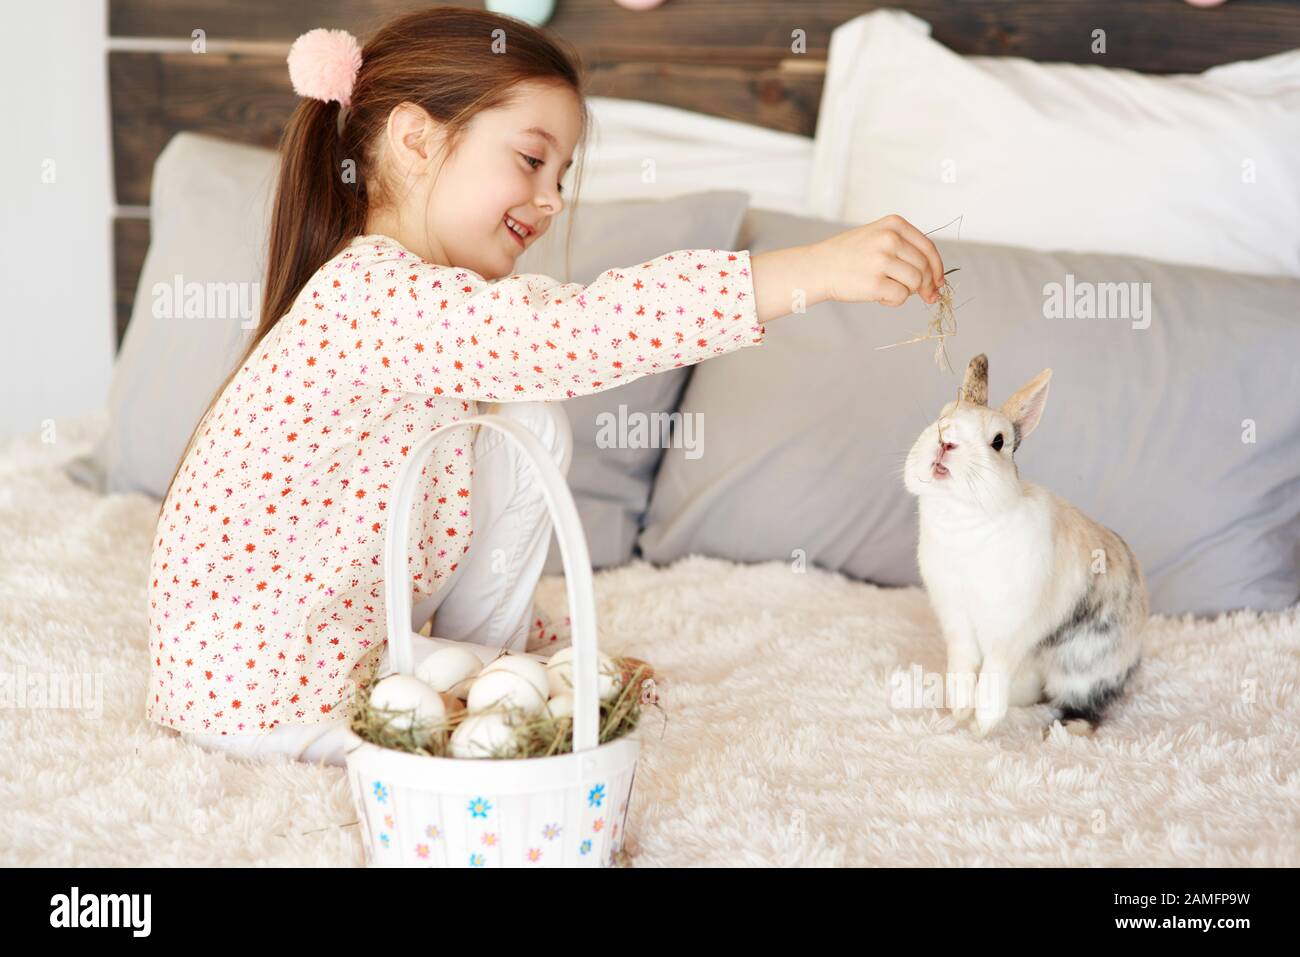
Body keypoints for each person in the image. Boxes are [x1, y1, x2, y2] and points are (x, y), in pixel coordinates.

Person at [146, 7, 946, 767]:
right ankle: (489, 676)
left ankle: (496, 664)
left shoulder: (414, 313)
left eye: (561, 173)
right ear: (416, 141)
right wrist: (803, 272)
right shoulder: (370, 295)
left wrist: (526, 649)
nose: (553, 198)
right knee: (532, 413)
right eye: (532, 160)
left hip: (315, 652)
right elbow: (574, 332)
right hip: (264, 685)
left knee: (523, 421)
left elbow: (450, 523)